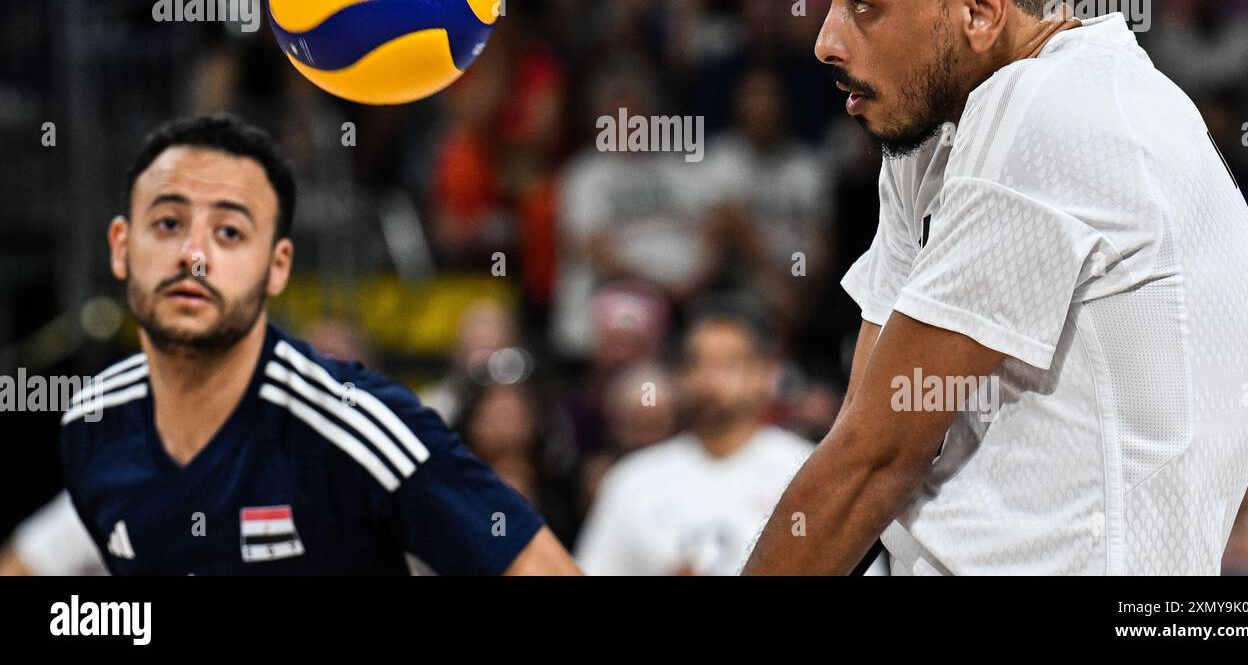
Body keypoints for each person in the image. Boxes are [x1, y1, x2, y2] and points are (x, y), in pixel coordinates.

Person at [744, 0, 1248, 575]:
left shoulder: (1055, 112)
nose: (826, 41)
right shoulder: (935, 130)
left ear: (981, 8)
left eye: (861, 3)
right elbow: (868, 427)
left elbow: (875, 461)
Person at [61, 113, 579, 575]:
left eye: (230, 233)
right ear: (122, 248)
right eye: (168, 223)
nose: (194, 256)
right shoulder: (94, 423)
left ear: (277, 267)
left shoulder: (359, 425)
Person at [576, 306, 812, 575]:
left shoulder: (806, 472)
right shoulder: (632, 480)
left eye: (728, 364)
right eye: (696, 363)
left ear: (765, 374)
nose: (708, 379)